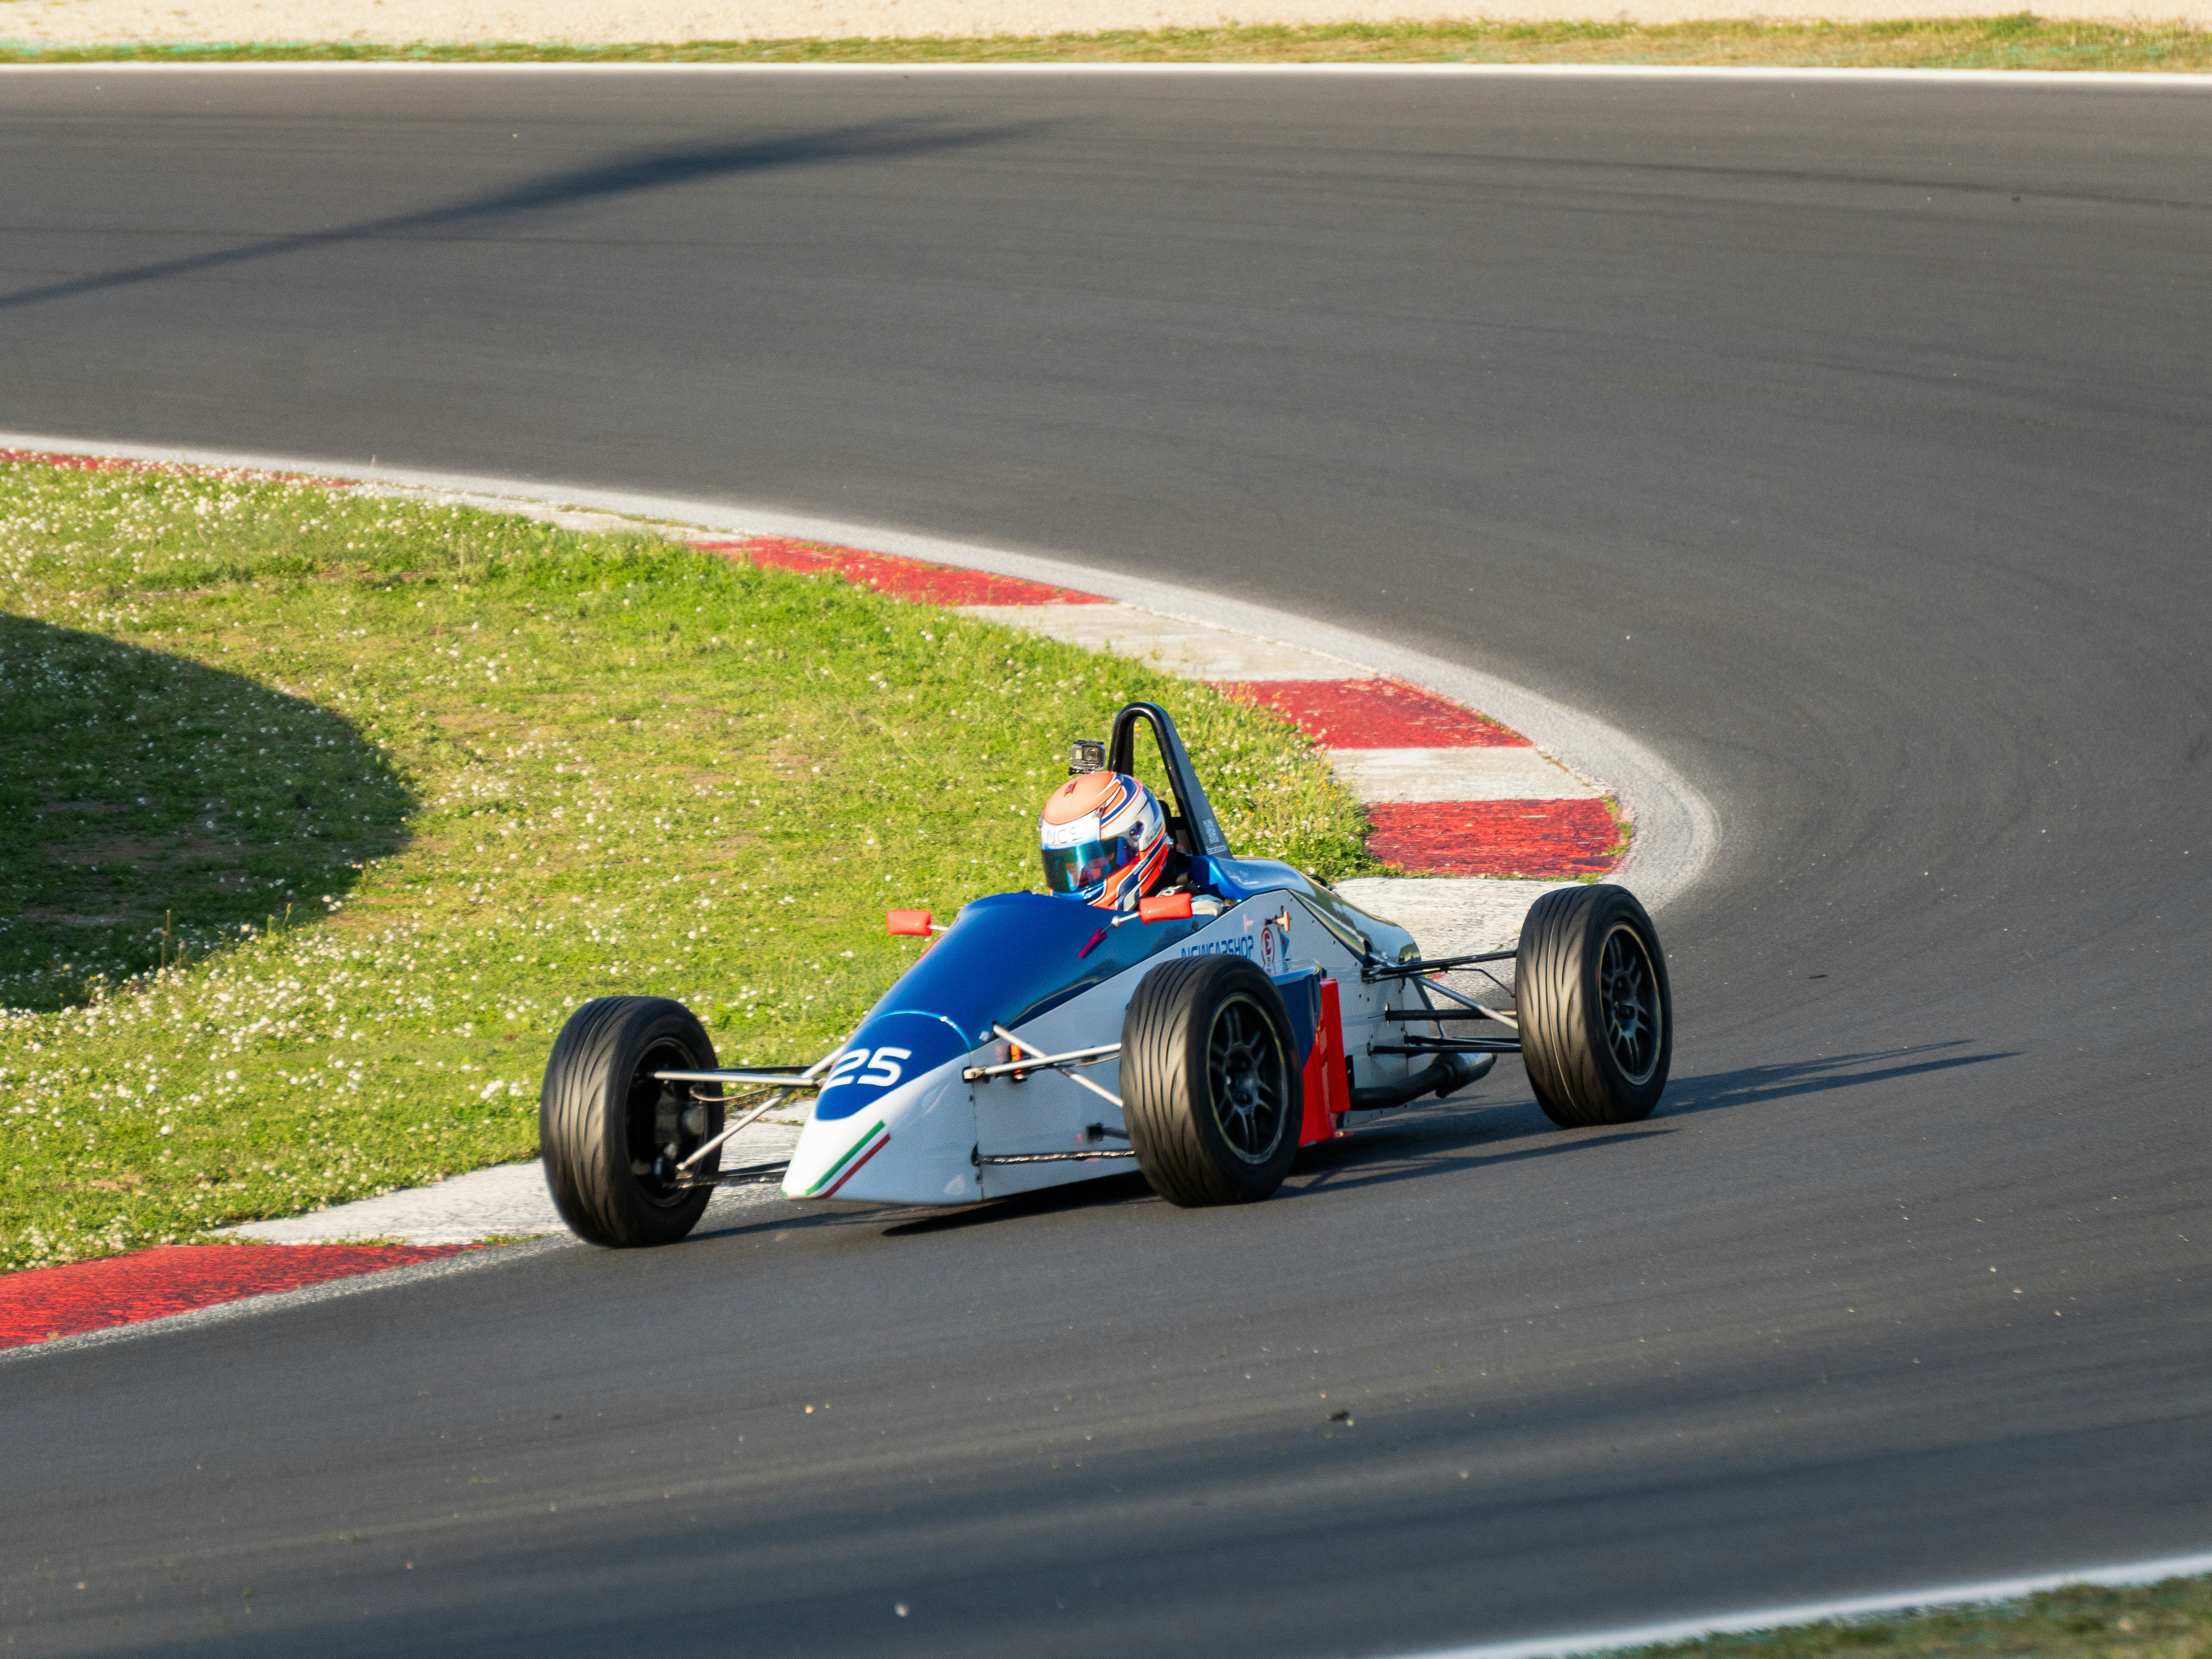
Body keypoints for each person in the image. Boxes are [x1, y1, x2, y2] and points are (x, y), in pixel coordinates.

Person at [1037, 768, 1173, 910]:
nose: (1081, 878)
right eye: (1070, 866)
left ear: (1140, 842)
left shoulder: (1190, 914)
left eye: (1096, 861)